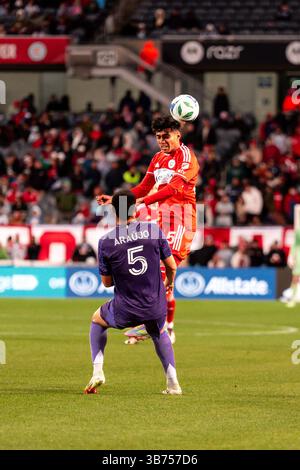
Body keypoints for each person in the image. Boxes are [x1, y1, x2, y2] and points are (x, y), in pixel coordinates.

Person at [97, 116, 199, 344]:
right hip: (160, 217)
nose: (162, 141)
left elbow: (174, 188)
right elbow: (143, 187)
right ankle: (164, 327)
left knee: (165, 269)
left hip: (182, 218)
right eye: (158, 137)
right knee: (153, 272)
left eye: (166, 136)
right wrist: (116, 199)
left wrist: (144, 202)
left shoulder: (186, 157)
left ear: (177, 135)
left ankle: (157, 323)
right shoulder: (157, 158)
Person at [84, 190, 181, 395]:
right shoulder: (153, 230)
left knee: (97, 320)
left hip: (125, 307)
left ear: (112, 211)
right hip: (154, 305)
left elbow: (107, 283)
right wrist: (169, 283)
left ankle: (98, 372)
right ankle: (173, 383)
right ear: (135, 208)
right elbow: (172, 266)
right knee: (159, 332)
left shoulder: (106, 241)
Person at [286, 230, 300, 308]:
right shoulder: (298, 232)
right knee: (295, 279)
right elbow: (295, 245)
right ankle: (292, 298)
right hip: (298, 259)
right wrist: (290, 257)